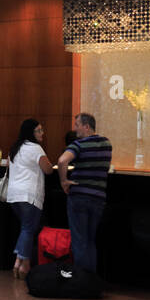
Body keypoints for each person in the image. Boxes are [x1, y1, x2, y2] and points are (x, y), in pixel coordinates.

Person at [57, 113, 112, 276]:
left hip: (80, 196)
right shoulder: (106, 143)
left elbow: (62, 161)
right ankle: (91, 279)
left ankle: (81, 279)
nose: (75, 129)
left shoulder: (78, 145)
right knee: (90, 240)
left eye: (77, 125)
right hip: (98, 198)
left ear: (87, 126)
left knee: (79, 241)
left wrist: (63, 181)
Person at [7, 118, 54, 279]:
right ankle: (21, 264)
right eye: (39, 130)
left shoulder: (15, 148)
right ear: (31, 132)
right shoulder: (35, 148)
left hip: (13, 196)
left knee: (26, 228)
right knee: (28, 229)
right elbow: (48, 169)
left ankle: (21, 261)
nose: (42, 133)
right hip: (29, 195)